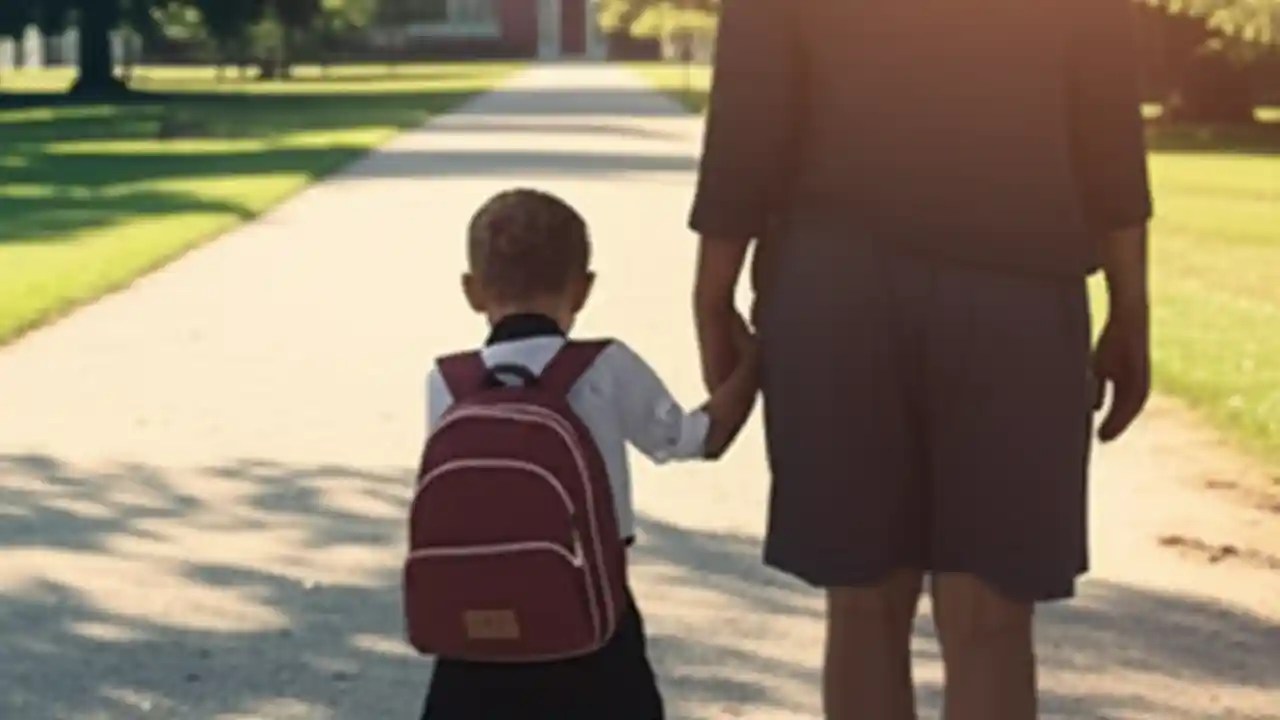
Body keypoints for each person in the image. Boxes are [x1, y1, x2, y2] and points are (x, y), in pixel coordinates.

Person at [689, 1, 1154, 718]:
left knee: (863, 608)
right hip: (1019, 289)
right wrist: (1130, 304)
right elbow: (1107, 118)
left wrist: (713, 292)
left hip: (837, 285)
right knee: (992, 620)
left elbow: (749, 110)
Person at [420, 188, 760, 720]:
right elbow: (700, 439)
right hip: (589, 613)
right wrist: (755, 366)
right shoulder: (603, 368)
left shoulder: (447, 382)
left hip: (478, 626)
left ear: (472, 290)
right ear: (582, 289)